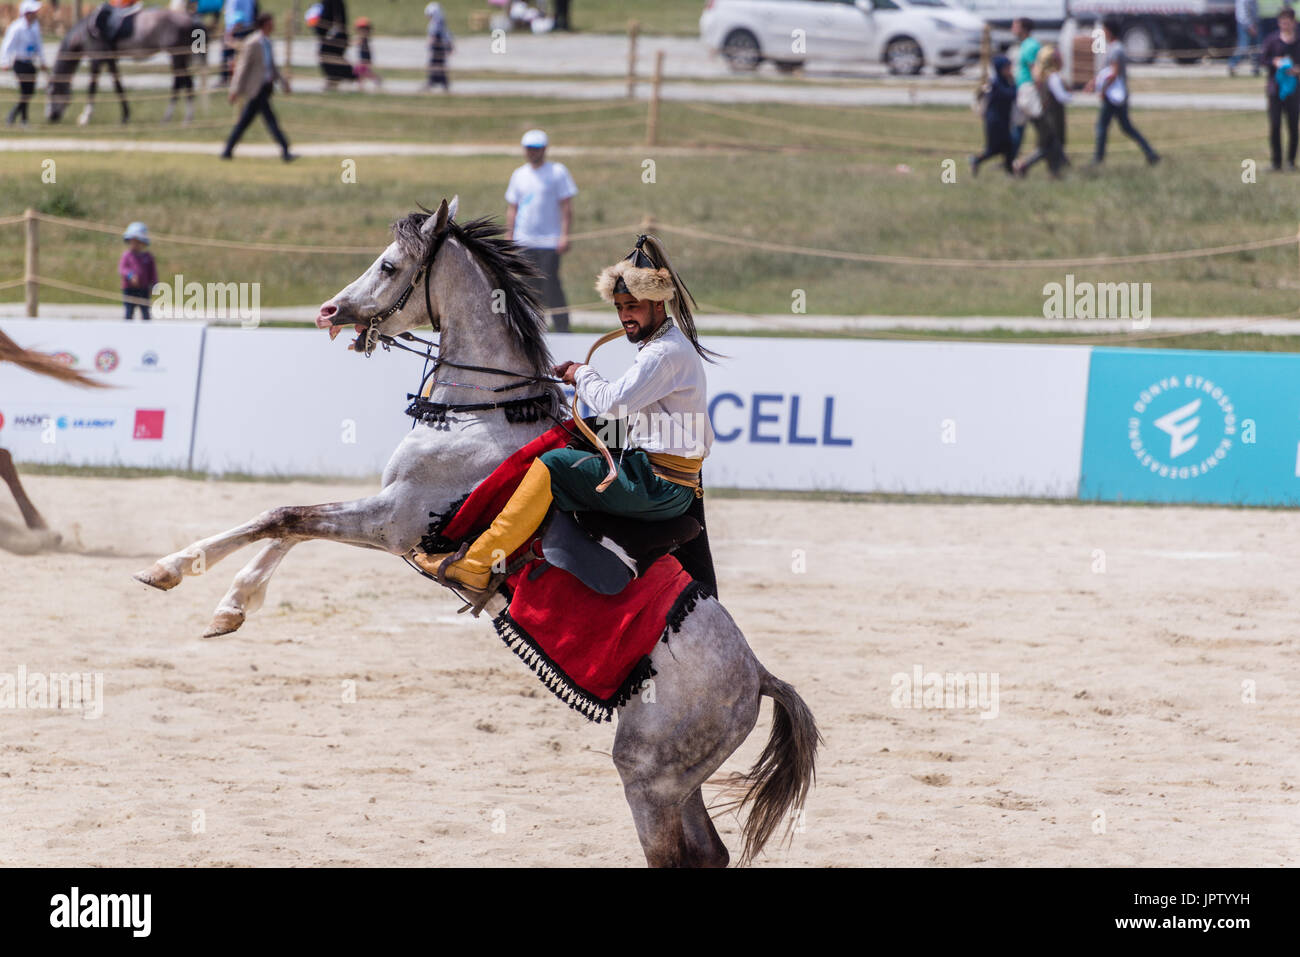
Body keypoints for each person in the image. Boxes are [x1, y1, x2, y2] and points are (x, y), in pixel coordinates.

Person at [422, 235, 716, 604]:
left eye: (633, 306)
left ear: (658, 304)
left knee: (555, 464)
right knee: (572, 438)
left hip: (660, 486)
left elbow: (614, 404)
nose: (625, 315)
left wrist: (582, 374)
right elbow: (643, 422)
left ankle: (478, 563)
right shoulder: (662, 346)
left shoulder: (664, 353)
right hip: (655, 470)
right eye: (620, 306)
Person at [506, 129, 577, 332]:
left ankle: (563, 328)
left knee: (551, 285)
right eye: (529, 148)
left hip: (549, 241)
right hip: (524, 240)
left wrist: (565, 235)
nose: (532, 152)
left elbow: (566, 206)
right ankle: (534, 328)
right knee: (528, 287)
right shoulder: (519, 174)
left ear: (544, 149)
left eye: (536, 148)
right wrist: (509, 235)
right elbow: (513, 207)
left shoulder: (557, 172)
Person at [221, 12, 295, 162]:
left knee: (245, 121)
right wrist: (235, 90)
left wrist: (283, 82)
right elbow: (242, 68)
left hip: (266, 87)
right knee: (270, 120)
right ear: (265, 24)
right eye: (271, 22)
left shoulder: (267, 42)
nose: (273, 25)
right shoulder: (252, 43)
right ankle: (285, 150)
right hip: (257, 88)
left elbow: (272, 67)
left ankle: (227, 150)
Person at [1088, 16, 1161, 167]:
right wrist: (1094, 82)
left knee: (1102, 126)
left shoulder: (1116, 49)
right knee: (1125, 127)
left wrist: (1103, 89)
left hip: (1114, 96)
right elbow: (1107, 71)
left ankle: (1098, 159)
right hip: (1116, 95)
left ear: (1108, 31)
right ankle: (1151, 154)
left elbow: (1114, 73)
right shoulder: (1114, 48)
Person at [1015, 45, 1071, 178]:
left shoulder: (1040, 75)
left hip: (1044, 117)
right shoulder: (1054, 78)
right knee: (1051, 145)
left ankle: (1055, 172)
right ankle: (1024, 165)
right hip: (1052, 117)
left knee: (1050, 145)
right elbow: (1062, 97)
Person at [1262, 6, 1300, 170]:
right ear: (1279, 23)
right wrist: (1274, 62)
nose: (1285, 25)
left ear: (1294, 23)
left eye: (1288, 22)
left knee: (1293, 126)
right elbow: (1262, 60)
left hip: (1294, 89)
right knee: (1275, 125)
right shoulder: (1272, 40)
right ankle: (1276, 163)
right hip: (1275, 89)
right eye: (1282, 22)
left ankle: (1291, 161)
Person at [1, 0, 48, 128]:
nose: (35, 14)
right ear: (26, 13)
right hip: (19, 63)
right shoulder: (17, 27)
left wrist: (43, 61)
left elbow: (39, 45)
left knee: (29, 92)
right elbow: (7, 45)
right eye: (33, 12)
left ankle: (16, 117)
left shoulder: (34, 26)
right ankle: (22, 119)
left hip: (30, 63)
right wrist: (4, 62)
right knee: (25, 92)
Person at [970, 55, 1017, 177]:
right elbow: (1010, 95)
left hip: (1003, 121)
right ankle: (976, 160)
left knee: (1008, 147)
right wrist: (1014, 84)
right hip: (995, 122)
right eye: (1007, 68)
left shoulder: (1004, 82)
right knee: (993, 149)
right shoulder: (996, 84)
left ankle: (1009, 172)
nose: (1010, 70)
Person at [1009, 17, 1041, 157]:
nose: (1012, 28)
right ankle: (1011, 158)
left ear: (1023, 28)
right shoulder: (1024, 44)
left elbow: (1035, 69)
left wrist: (1038, 90)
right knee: (1018, 126)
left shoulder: (1030, 46)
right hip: (1023, 89)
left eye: (1015, 26)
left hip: (1028, 90)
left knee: (1039, 125)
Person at [119, 222, 158, 321]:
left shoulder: (148, 257)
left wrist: (154, 284)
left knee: (145, 312)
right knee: (129, 312)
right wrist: (130, 275)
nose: (135, 245)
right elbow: (122, 269)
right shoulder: (127, 256)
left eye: (138, 242)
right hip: (129, 289)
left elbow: (152, 272)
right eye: (133, 242)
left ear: (143, 242)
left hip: (144, 289)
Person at [221, 0, 257, 86]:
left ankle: (226, 78)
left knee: (229, 54)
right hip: (248, 27)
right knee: (242, 55)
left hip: (237, 29)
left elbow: (234, 14)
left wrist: (230, 32)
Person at [314, 0, 350, 88]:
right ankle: (334, 80)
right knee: (327, 56)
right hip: (329, 35)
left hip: (334, 36)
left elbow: (338, 18)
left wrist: (334, 33)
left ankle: (336, 79)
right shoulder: (325, 2)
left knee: (330, 57)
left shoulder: (335, 2)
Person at [425, 2, 453, 91]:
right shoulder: (440, 22)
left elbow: (434, 35)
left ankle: (433, 82)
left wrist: (429, 44)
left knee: (435, 64)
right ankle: (441, 83)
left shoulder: (436, 24)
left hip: (437, 48)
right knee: (439, 64)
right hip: (440, 48)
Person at [1230, 0, 1262, 76]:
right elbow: (1242, 13)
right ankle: (1232, 65)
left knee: (1256, 46)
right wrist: (1250, 26)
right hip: (1245, 25)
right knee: (1243, 47)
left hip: (1255, 23)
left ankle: (1255, 67)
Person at [352, 16, 380, 89]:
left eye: (364, 29)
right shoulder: (363, 37)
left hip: (365, 59)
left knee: (363, 72)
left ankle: (374, 79)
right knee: (362, 72)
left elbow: (358, 42)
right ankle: (362, 84)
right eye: (361, 29)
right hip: (362, 59)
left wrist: (352, 42)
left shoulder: (364, 38)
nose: (362, 31)